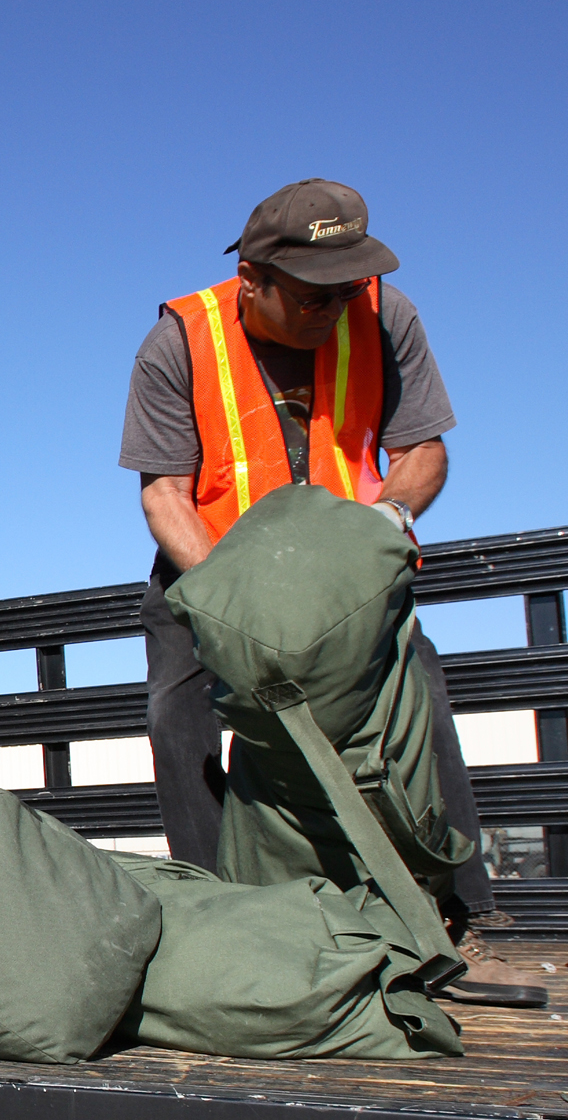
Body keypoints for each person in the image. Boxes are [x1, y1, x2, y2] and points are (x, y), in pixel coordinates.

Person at [121, 177, 540, 1006]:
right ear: (253, 279)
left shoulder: (385, 315)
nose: (334, 307)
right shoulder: (179, 341)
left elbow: (422, 452)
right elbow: (165, 494)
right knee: (178, 715)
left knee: (418, 694)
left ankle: (458, 920)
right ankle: (219, 929)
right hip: (212, 567)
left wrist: (380, 526)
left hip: (347, 574)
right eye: (314, 294)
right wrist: (234, 602)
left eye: (347, 286)